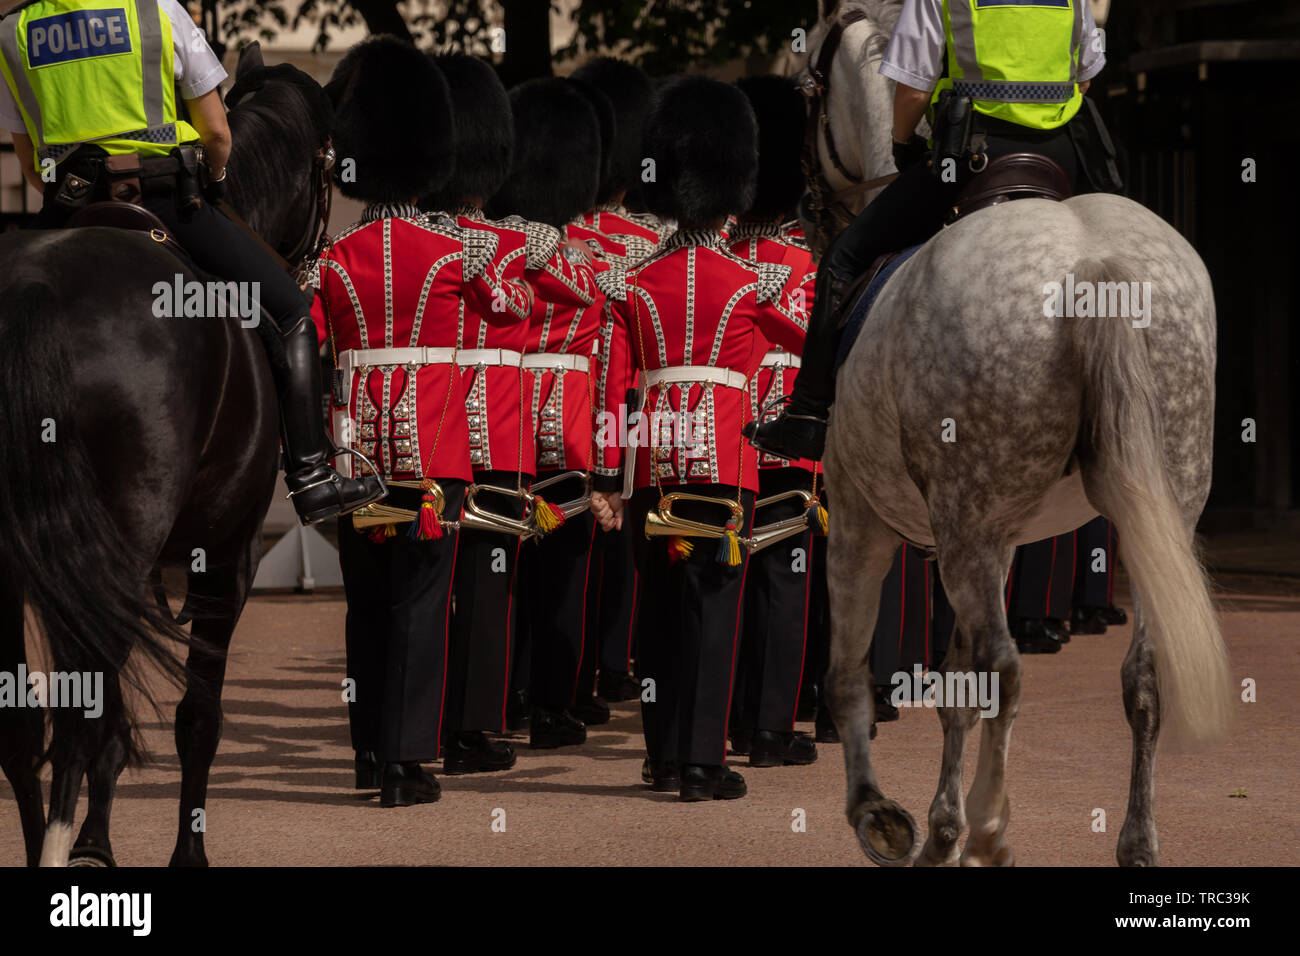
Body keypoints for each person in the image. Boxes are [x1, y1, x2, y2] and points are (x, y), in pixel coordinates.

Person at [0, 0, 383, 524]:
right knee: (291, 311)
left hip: (71, 205)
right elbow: (218, 133)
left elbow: (30, 164)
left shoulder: (13, 31)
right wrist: (216, 183)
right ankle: (314, 477)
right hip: (165, 200)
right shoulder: (156, 10)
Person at [748, 0, 1106, 462]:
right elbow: (1085, 76)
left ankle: (808, 416)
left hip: (974, 159)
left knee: (844, 259)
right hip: (1062, 159)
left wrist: (903, 144)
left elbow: (913, 91)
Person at [313, 38, 528, 807]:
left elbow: (310, 341)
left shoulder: (335, 259)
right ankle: (407, 764)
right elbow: (517, 307)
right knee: (420, 606)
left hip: (355, 455)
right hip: (435, 456)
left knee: (365, 605)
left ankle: (368, 752)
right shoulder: (454, 256)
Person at [592, 76, 809, 801]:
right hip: (725, 462)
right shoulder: (753, 283)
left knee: (658, 612)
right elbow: (808, 349)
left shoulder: (633, 282)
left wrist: (606, 478)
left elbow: (613, 388)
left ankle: (659, 756)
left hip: (653, 460)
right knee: (714, 608)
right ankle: (701, 762)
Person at [423, 53, 600, 772]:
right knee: (486, 588)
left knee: (425, 592)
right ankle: (473, 728)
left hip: (424, 424)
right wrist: (539, 237)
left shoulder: (415, 239)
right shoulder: (519, 245)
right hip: (496, 428)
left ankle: (416, 731)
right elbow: (582, 289)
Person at [487, 78, 620, 751]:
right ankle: (552, 705)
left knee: (497, 572)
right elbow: (605, 353)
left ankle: (499, 694)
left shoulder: (488, 247)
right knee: (563, 576)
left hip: (498, 424)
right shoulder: (585, 262)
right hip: (565, 426)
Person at [726, 74, 819, 769]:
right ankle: (770, 727)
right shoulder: (804, 264)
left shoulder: (718, 261)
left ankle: (726, 720)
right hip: (788, 436)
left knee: (728, 582)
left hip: (725, 434)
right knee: (785, 585)